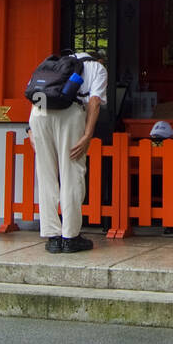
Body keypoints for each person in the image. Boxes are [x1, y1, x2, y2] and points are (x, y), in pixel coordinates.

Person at [28, 49, 107, 253]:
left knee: (46, 175)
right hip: (69, 114)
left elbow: (40, 92)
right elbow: (95, 101)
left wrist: (29, 129)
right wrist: (88, 135)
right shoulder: (97, 67)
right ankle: (70, 237)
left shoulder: (55, 63)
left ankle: (52, 237)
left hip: (39, 113)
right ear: (98, 58)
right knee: (71, 173)